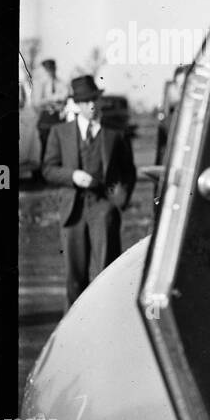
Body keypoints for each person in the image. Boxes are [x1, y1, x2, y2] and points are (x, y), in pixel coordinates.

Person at [41, 75, 137, 308]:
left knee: (108, 274)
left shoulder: (114, 134)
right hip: (73, 211)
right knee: (75, 279)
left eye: (94, 99)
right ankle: (73, 333)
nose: (91, 105)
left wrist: (118, 202)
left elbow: (129, 172)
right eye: (85, 101)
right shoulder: (60, 133)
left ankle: (109, 325)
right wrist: (72, 176)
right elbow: (48, 169)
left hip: (103, 208)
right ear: (76, 104)